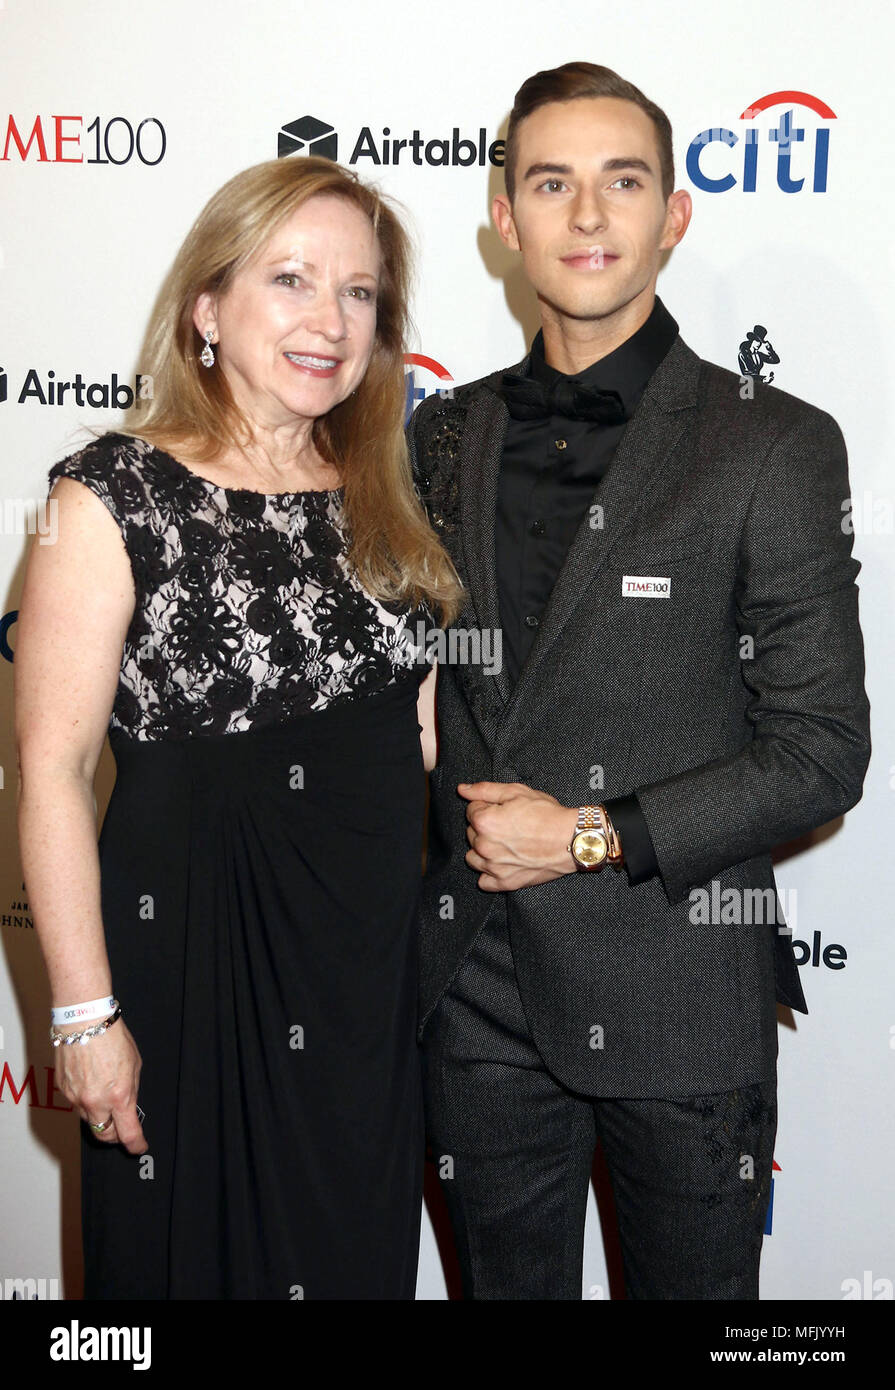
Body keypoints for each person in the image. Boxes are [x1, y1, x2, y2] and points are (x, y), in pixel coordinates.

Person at [408, 62, 870, 1300]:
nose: (589, 216)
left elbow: (822, 749)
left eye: (624, 182)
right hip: (476, 991)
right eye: (551, 183)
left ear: (673, 214)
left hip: (675, 987)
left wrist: (590, 836)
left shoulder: (773, 441)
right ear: (505, 218)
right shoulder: (436, 434)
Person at [15, 155, 463, 1300]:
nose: (328, 320)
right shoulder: (108, 494)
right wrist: (82, 1014)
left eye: (358, 292)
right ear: (207, 307)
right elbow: (52, 769)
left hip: (363, 994)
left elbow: (420, 741)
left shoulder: (389, 490)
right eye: (292, 279)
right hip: (190, 981)